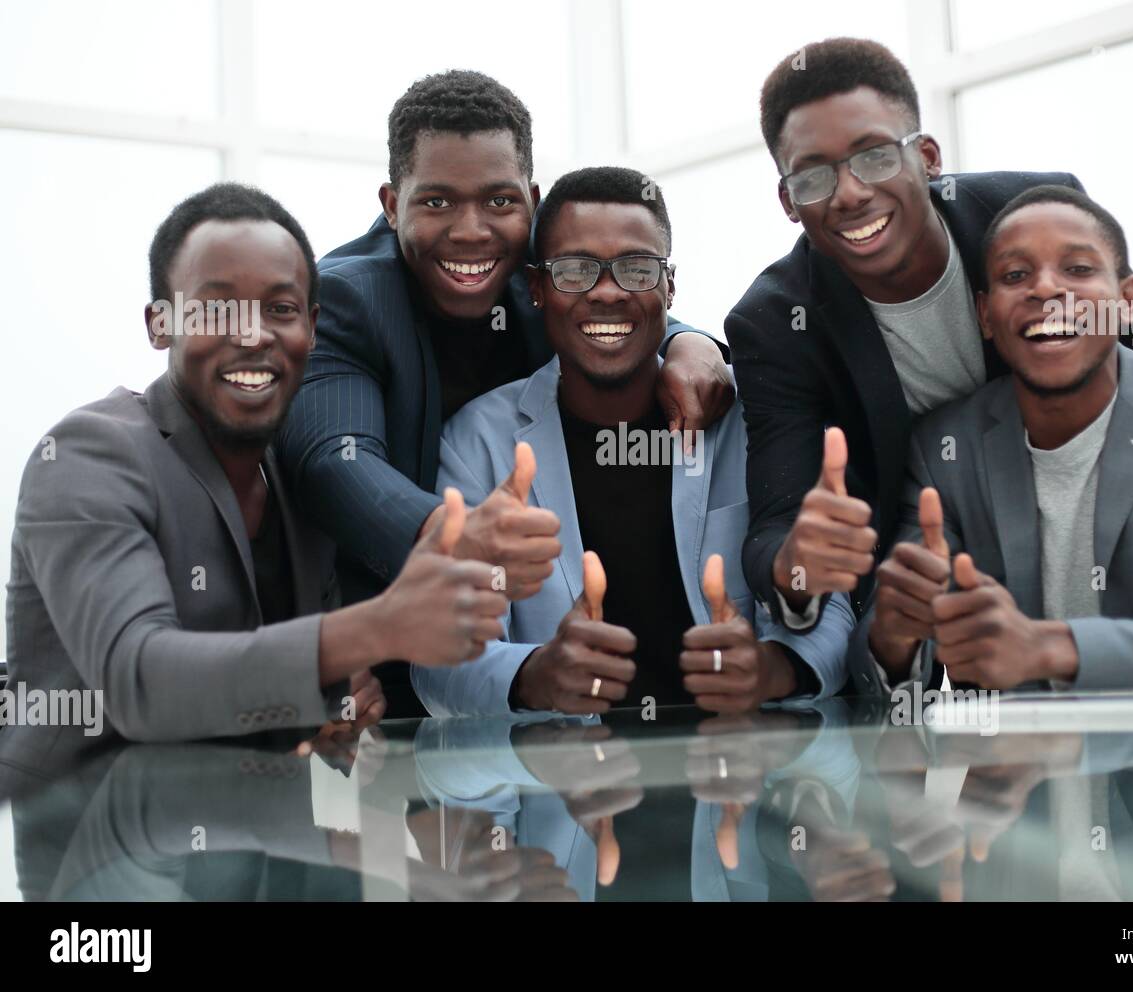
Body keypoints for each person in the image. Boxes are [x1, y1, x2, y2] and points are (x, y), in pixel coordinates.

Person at [726, 37, 1133, 629]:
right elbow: (776, 524)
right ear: (789, 201)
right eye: (813, 177)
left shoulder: (1028, 216)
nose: (849, 193)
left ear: (926, 157)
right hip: (937, 595)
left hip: (1097, 535)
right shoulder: (775, 322)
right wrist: (797, 567)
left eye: (875, 156)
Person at [3, 183, 507, 771]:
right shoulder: (86, 455)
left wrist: (336, 707)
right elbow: (139, 681)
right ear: (159, 324)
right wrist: (378, 627)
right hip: (84, 844)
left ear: (312, 329)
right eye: (217, 308)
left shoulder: (293, 477)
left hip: (254, 840)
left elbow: (297, 688)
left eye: (281, 309)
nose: (252, 333)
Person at [277, 72, 734, 715]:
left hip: (517, 676)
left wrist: (692, 342)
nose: (472, 231)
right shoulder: (348, 297)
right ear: (390, 203)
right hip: (370, 665)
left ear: (531, 200)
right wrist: (449, 534)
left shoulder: (535, 270)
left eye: (498, 201)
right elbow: (334, 459)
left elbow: (621, 302)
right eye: (436, 202)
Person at [413, 167, 852, 717]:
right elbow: (437, 661)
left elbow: (830, 610)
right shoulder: (477, 440)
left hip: (735, 775)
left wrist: (773, 669)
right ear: (535, 289)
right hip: (566, 782)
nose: (607, 292)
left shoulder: (751, 414)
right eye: (574, 270)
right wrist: (533, 675)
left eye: (637, 269)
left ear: (669, 286)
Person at [857, 185, 1133, 693]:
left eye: (1079, 269)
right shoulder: (943, 450)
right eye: (1015, 275)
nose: (1045, 289)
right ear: (985, 316)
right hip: (1024, 770)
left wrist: (1047, 648)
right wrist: (894, 634)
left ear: (1129, 303)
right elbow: (884, 667)